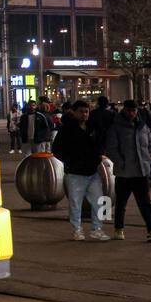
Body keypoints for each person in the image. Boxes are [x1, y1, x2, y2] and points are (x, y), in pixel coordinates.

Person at [104, 99, 151, 242]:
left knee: (146, 203)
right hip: (124, 173)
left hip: (141, 171)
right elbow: (112, 149)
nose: (132, 113)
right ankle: (118, 229)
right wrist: (121, 163)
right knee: (121, 202)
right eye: (129, 110)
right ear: (124, 110)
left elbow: (150, 144)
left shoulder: (142, 126)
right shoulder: (116, 127)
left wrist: (149, 158)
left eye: (134, 110)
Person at [53, 100, 111, 241]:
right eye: (81, 111)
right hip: (75, 172)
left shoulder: (93, 127)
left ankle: (97, 228)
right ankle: (77, 229)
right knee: (75, 203)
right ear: (74, 112)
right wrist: (70, 161)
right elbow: (56, 150)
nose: (85, 114)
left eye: (87, 111)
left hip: (92, 170)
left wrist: (98, 156)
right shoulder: (67, 129)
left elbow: (101, 142)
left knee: (99, 200)